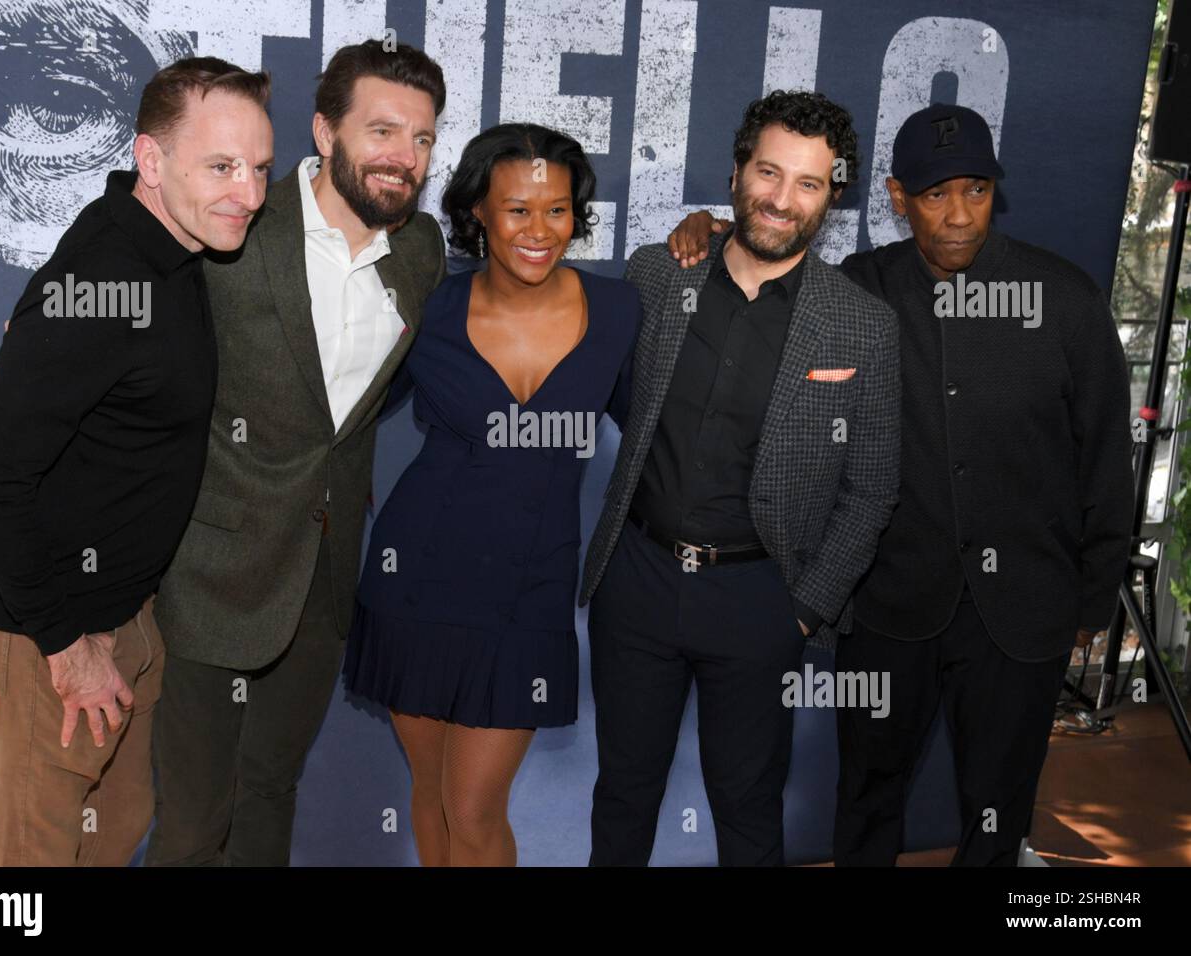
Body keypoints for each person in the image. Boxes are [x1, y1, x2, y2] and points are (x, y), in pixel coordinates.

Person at [666, 102, 1134, 865]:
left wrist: (1088, 603)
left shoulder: (1066, 299)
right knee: (868, 793)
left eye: (976, 191)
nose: (958, 216)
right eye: (935, 194)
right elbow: (765, 259)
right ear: (894, 195)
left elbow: (1106, 463)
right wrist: (709, 229)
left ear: (995, 192)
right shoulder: (854, 289)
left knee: (998, 807)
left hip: (1023, 613)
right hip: (889, 605)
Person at [0, 57, 274, 866]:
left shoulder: (166, 242)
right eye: (223, 167)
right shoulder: (100, 276)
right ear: (152, 162)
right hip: (43, 637)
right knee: (24, 876)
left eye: (260, 168)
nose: (249, 193)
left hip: (124, 618)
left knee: (113, 835)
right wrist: (68, 649)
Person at [144, 40, 447, 867]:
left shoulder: (421, 253)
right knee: (194, 817)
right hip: (210, 570)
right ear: (323, 131)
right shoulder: (237, 222)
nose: (404, 157)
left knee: (272, 791)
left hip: (323, 575)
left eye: (422, 139)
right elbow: (127, 263)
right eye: (382, 130)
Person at [579, 90, 900, 866]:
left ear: (832, 198)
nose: (782, 200)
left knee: (749, 807)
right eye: (768, 172)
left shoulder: (863, 324)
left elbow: (873, 488)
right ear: (734, 174)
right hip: (641, 580)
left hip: (762, 598)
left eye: (808, 183)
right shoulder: (657, 275)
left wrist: (803, 611)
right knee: (623, 793)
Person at [342, 123, 639, 866]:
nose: (540, 232)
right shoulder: (431, 309)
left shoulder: (620, 314)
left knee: (476, 811)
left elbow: (654, 427)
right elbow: (342, 411)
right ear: (478, 210)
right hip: (417, 577)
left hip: (531, 589)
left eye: (558, 210)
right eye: (517, 210)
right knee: (434, 794)